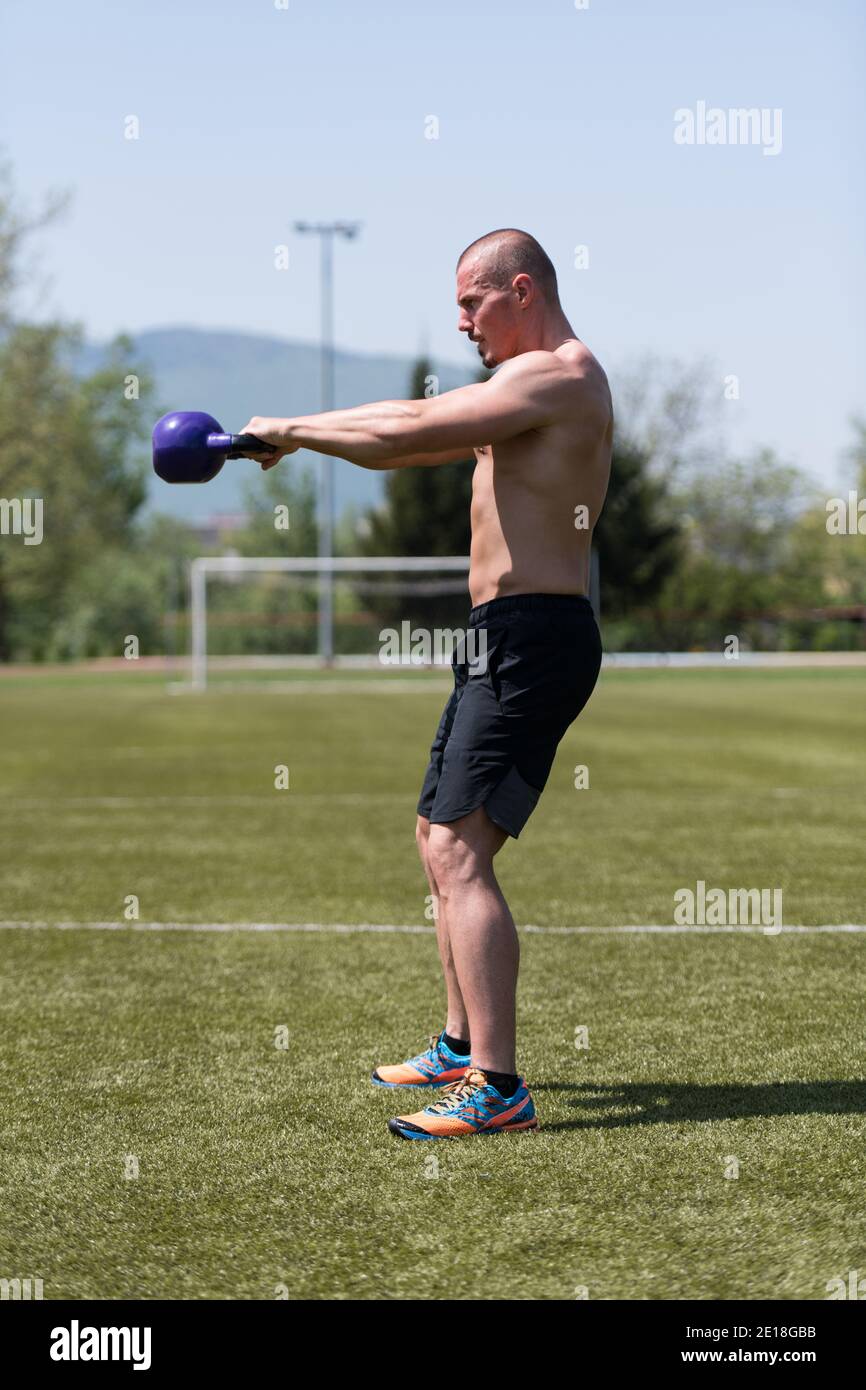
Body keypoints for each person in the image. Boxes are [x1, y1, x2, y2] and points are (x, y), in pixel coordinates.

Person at [240, 228, 612, 1140]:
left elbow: (408, 426)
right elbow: (405, 448)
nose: (461, 324)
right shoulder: (513, 393)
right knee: (434, 837)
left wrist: (290, 428)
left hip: (535, 637)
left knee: (458, 852)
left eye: (471, 303)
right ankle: (458, 1043)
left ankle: (497, 1085)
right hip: (498, 634)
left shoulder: (557, 376)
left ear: (520, 290)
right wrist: (303, 442)